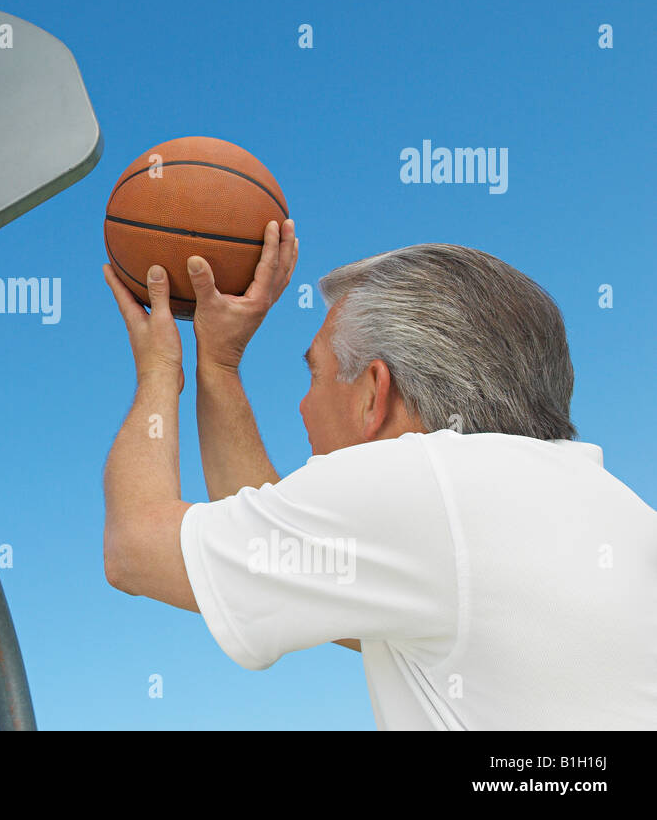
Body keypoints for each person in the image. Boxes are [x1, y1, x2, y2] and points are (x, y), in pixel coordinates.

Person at [102, 220, 657, 729]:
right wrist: (218, 366)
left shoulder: (426, 482)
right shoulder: (613, 513)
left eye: (315, 376)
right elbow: (288, 563)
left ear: (374, 392)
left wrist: (159, 368)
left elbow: (134, 547)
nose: (302, 407)